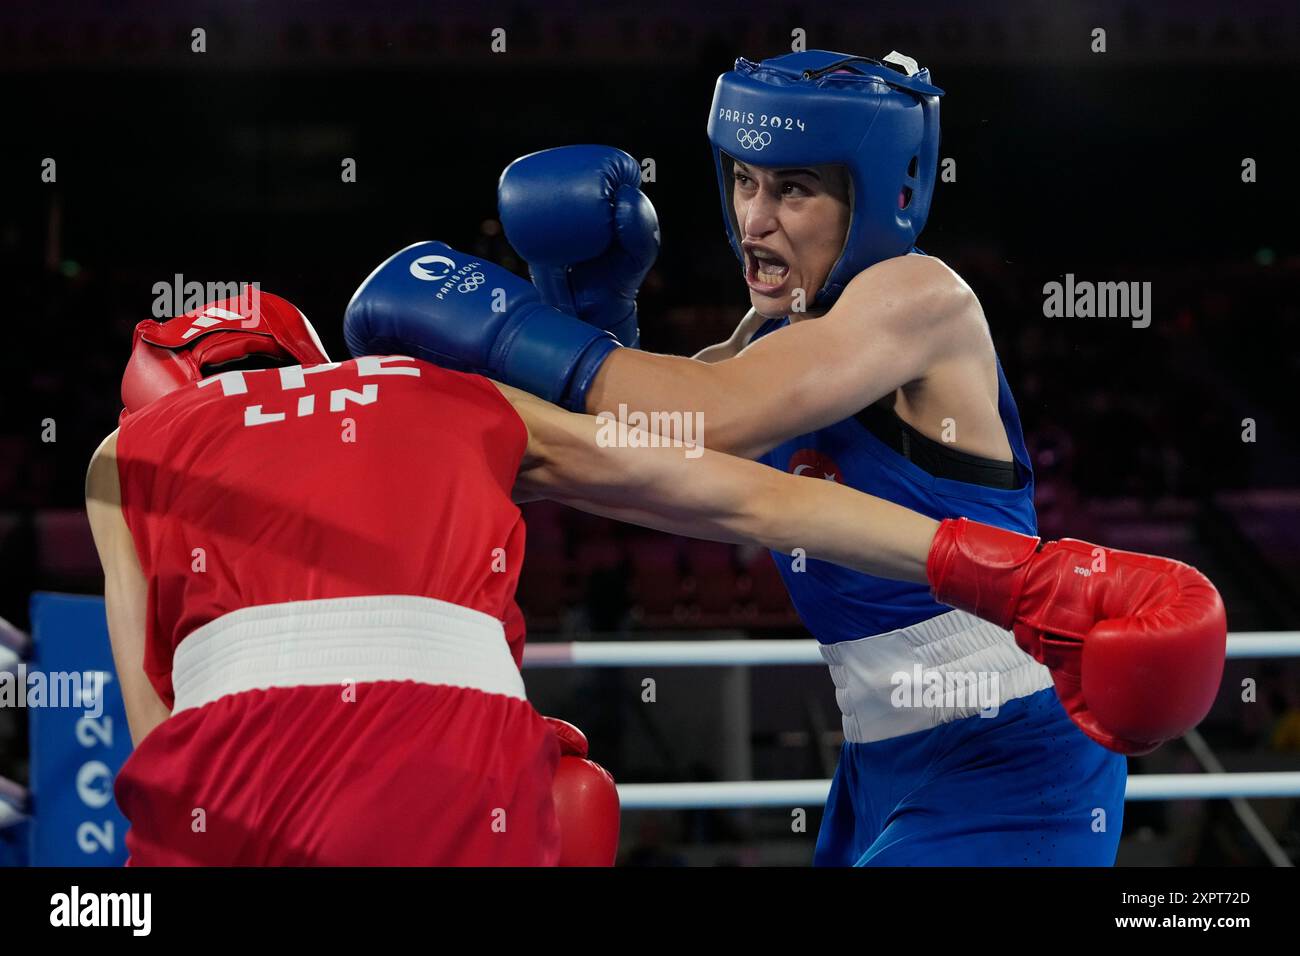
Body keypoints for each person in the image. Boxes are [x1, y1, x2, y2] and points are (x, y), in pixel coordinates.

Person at [340, 49, 1227, 865]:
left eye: (795, 190)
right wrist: (586, 324)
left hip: (1011, 752)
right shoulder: (771, 334)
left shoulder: (919, 296)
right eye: (744, 183)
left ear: (883, 197)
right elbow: (642, 458)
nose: (756, 220)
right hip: (881, 758)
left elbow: (708, 420)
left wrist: (509, 328)